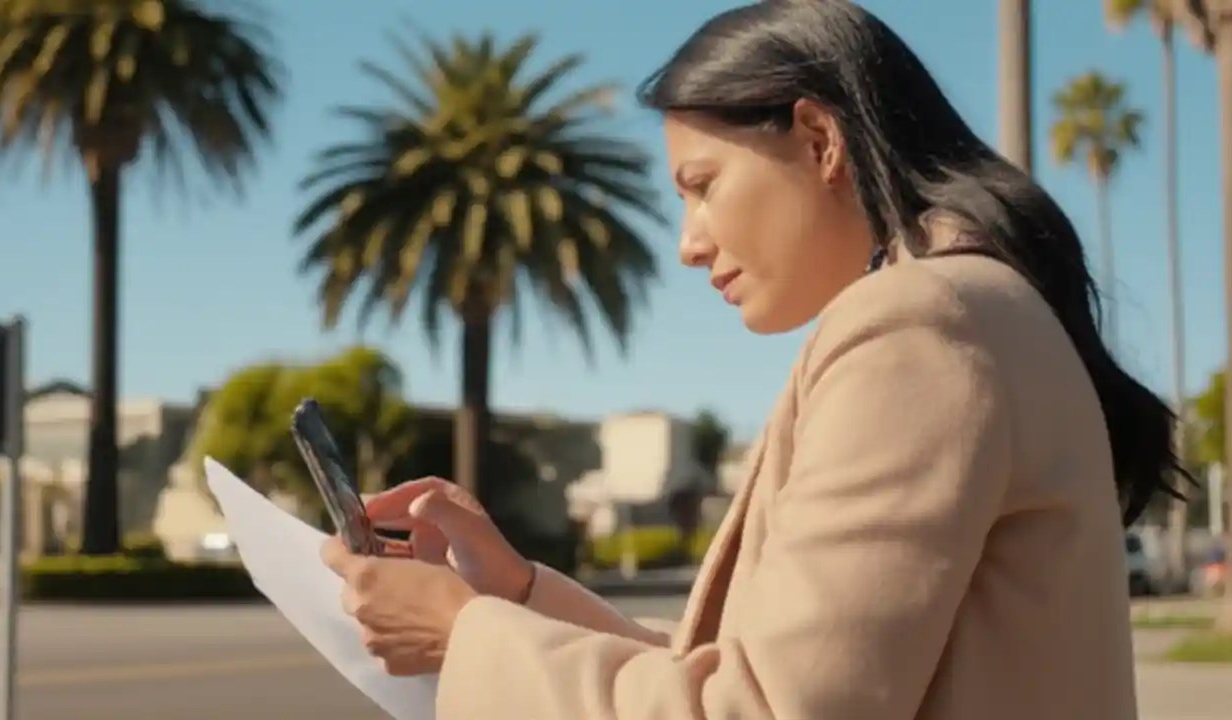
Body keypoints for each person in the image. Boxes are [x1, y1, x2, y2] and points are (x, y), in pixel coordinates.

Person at [319, 2, 1187, 718]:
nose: (689, 244)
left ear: (819, 140)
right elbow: (748, 674)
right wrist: (513, 592)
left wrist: (463, 634)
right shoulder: (970, 310)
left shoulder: (917, 326)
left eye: (702, 187)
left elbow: (766, 709)